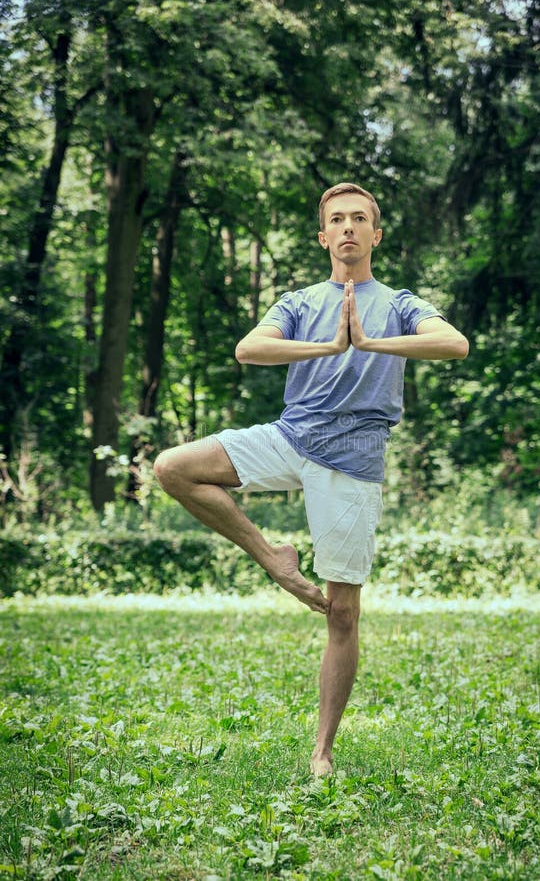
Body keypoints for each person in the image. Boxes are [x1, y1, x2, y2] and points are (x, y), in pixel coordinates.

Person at [154, 182, 469, 777]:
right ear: (323, 237)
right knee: (174, 466)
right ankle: (273, 557)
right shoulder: (298, 302)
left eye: (359, 219)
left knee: (342, 612)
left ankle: (322, 751)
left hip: (353, 455)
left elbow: (454, 343)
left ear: (376, 234)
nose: (348, 227)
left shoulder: (400, 302)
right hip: (291, 435)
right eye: (337, 220)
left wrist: (368, 341)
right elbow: (248, 349)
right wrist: (329, 346)